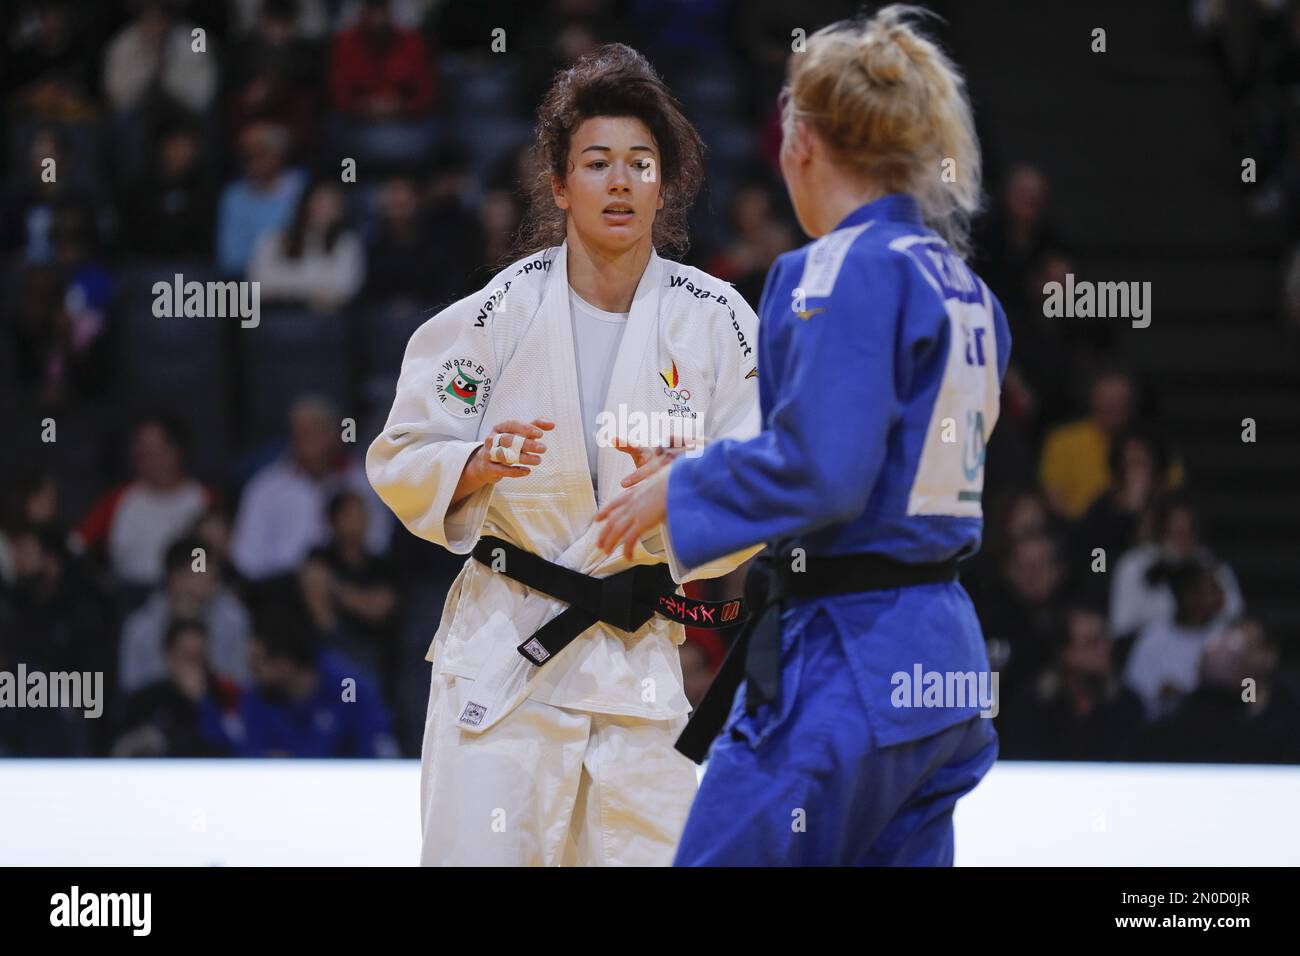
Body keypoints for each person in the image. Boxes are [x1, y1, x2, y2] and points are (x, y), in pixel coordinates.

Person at [596, 6, 1009, 865]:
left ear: (803, 141)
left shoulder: (835, 266)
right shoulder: (963, 285)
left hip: (847, 663)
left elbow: (826, 472)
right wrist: (710, 463)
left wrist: (682, 490)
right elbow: (871, 457)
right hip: (944, 664)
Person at [367, 44, 761, 866]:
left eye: (640, 164)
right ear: (558, 183)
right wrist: (474, 463)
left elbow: (767, 476)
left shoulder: (715, 318)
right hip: (505, 654)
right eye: (597, 162)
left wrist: (691, 489)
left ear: (666, 184)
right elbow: (400, 449)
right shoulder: (502, 312)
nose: (619, 181)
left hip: (640, 670)